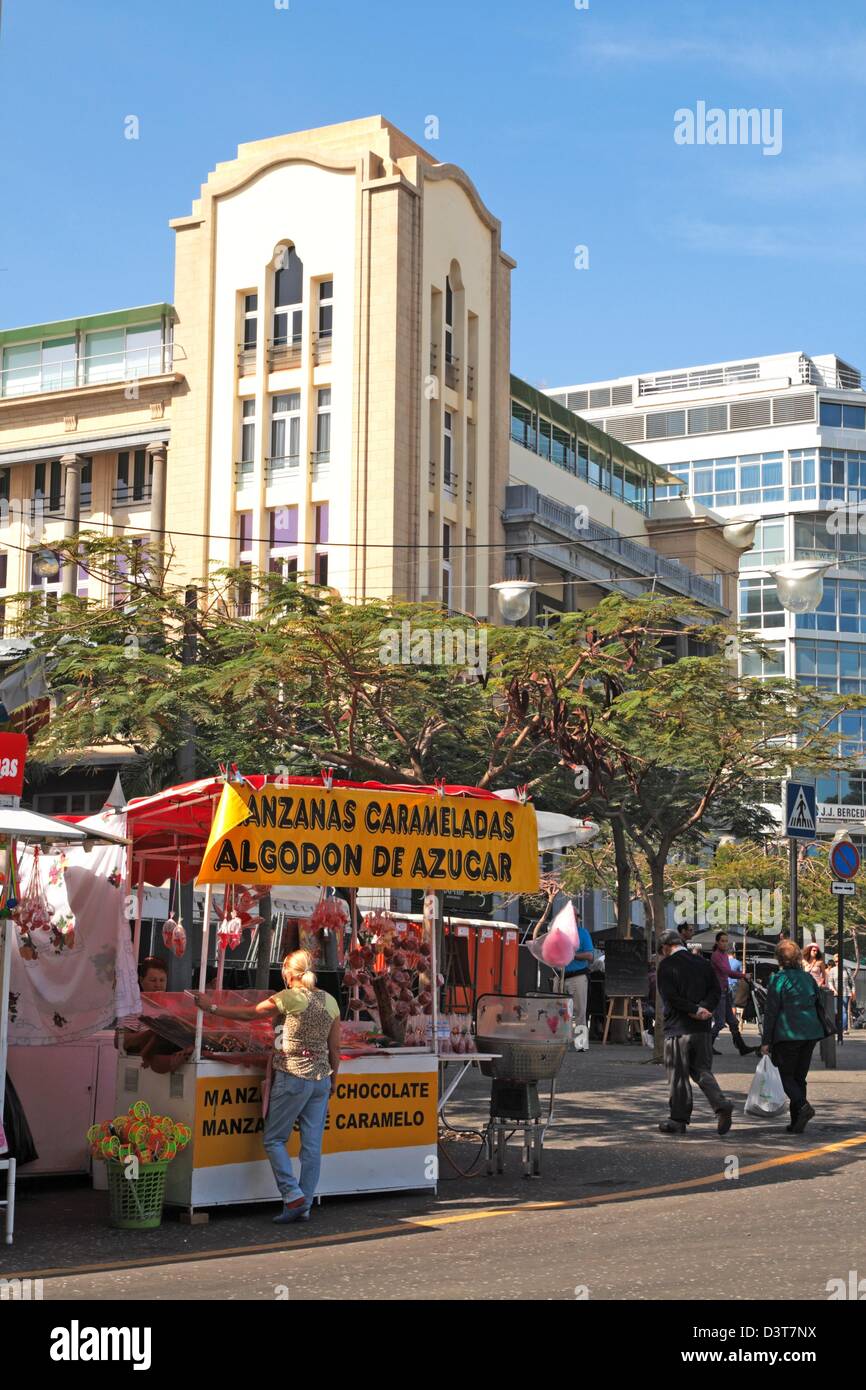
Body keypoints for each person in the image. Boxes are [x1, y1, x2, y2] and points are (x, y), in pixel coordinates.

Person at [192, 949, 340, 1224]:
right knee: (311, 1148)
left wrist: (210, 1007)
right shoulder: (330, 1001)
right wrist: (334, 1079)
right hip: (320, 1080)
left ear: (289, 972)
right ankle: (304, 1204)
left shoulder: (289, 997)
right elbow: (335, 1048)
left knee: (274, 1139)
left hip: (293, 1075)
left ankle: (292, 1194)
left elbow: (250, 1014)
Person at [656, 928, 733, 1137]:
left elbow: (670, 997)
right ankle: (720, 1104)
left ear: (664, 947)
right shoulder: (702, 963)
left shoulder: (666, 966)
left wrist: (693, 1010)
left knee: (678, 1075)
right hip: (703, 1028)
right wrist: (704, 1008)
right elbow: (716, 991)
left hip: (679, 1028)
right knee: (702, 1070)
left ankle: (677, 1120)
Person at [761, 940, 826, 1134]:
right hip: (810, 1032)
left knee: (785, 1076)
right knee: (799, 1077)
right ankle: (797, 1120)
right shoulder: (807, 978)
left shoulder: (778, 979)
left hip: (788, 1033)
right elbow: (818, 1001)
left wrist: (766, 1041)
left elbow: (771, 1011)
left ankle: (802, 1106)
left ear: (779, 958)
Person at [710, 932, 755, 1057]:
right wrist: (743, 975)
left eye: (726, 941)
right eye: (722, 941)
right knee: (719, 1022)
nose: (725, 943)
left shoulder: (724, 955)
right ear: (717, 942)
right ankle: (707, 1046)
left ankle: (742, 1047)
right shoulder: (716, 956)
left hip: (726, 991)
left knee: (732, 1021)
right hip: (719, 992)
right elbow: (727, 972)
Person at [561, 912, 594, 1038]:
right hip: (561, 976)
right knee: (561, 1011)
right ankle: (564, 1040)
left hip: (577, 976)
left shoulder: (583, 933)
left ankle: (580, 1042)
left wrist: (573, 955)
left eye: (577, 916)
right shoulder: (560, 933)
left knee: (579, 1011)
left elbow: (590, 956)